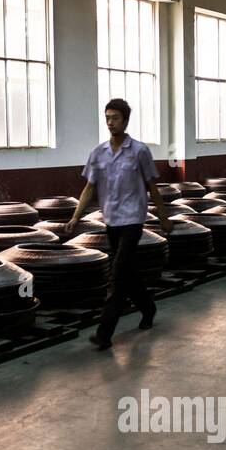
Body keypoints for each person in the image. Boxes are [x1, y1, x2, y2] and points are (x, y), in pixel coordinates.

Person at [64, 98, 172, 350]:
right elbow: (89, 188)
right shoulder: (98, 153)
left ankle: (105, 333)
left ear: (125, 120)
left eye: (115, 118)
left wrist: (164, 218)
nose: (110, 122)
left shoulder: (139, 151)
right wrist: (75, 217)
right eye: (107, 118)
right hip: (111, 221)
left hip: (133, 220)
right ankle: (148, 307)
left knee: (117, 274)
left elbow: (152, 187)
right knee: (128, 273)